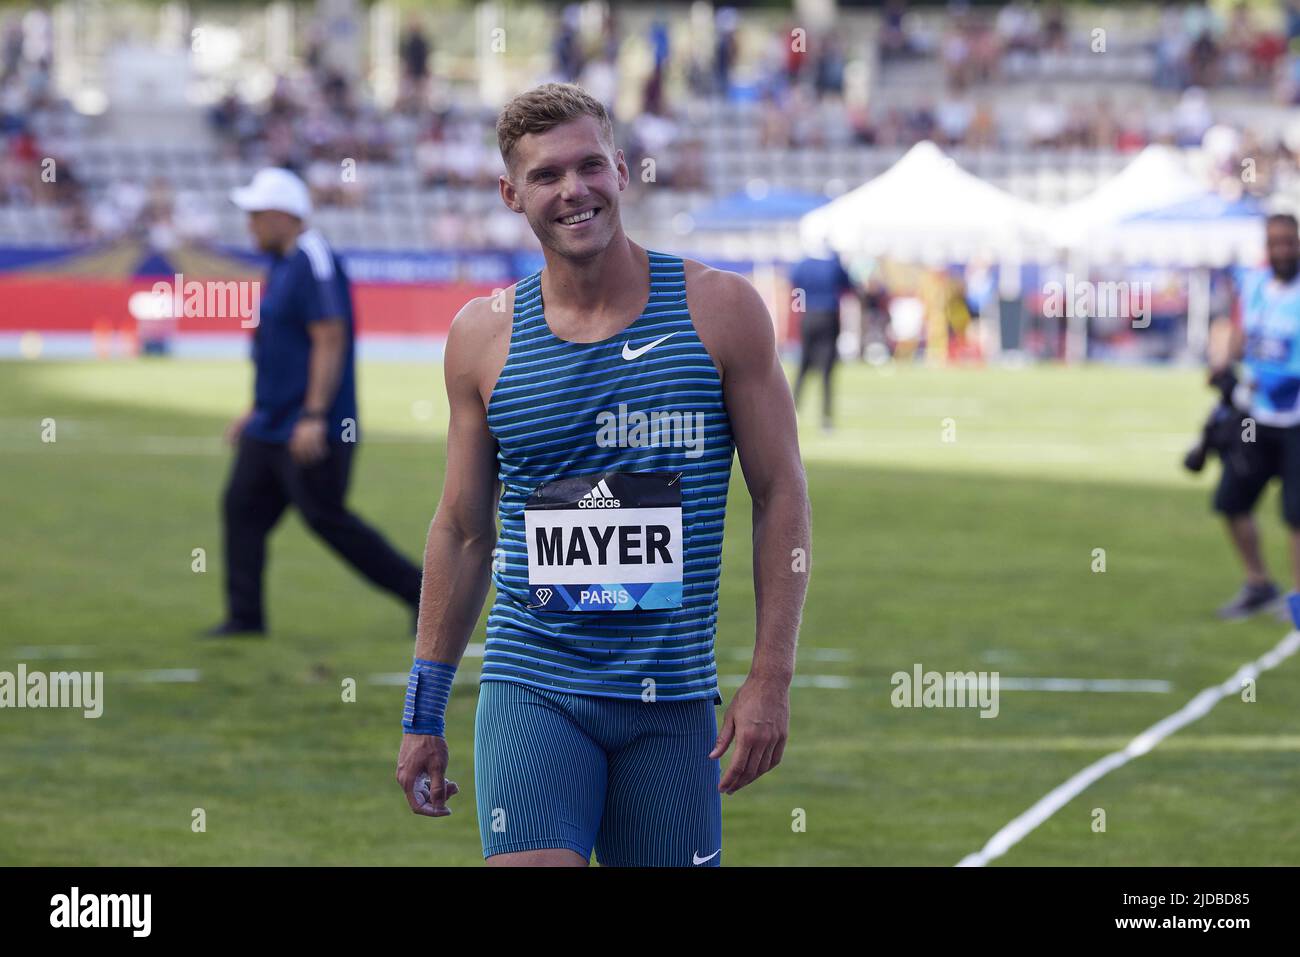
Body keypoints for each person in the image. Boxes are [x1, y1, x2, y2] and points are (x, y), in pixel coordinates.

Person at [394, 83, 810, 867]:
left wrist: (771, 676)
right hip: (533, 683)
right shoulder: (481, 338)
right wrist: (424, 707)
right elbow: (461, 527)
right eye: (547, 176)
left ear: (621, 169)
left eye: (590, 166)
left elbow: (780, 491)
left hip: (672, 698)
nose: (574, 189)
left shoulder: (720, 311)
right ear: (511, 194)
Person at [204, 167, 423, 638]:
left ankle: (420, 593)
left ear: (285, 215)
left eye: (258, 215)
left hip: (310, 424)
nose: (251, 225)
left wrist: (315, 415)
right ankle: (245, 619)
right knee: (241, 509)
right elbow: (282, 349)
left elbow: (330, 337)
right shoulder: (283, 263)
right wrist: (255, 409)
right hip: (270, 424)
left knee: (327, 519)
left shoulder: (313, 259)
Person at [1209, 212, 1300, 622]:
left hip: (1295, 418)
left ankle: (1298, 599)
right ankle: (1258, 583)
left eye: (1288, 242)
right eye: (1274, 242)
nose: (1281, 250)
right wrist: (1223, 364)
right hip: (1256, 418)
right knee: (1230, 499)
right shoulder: (1257, 284)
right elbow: (1236, 331)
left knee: (1296, 514)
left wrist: (1251, 384)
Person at [791, 243, 854, 432]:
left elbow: (795, 286)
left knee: (803, 366)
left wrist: (800, 309)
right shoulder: (833, 264)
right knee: (827, 369)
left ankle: (793, 411)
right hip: (828, 316)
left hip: (808, 316)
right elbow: (848, 286)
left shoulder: (802, 264)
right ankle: (826, 418)